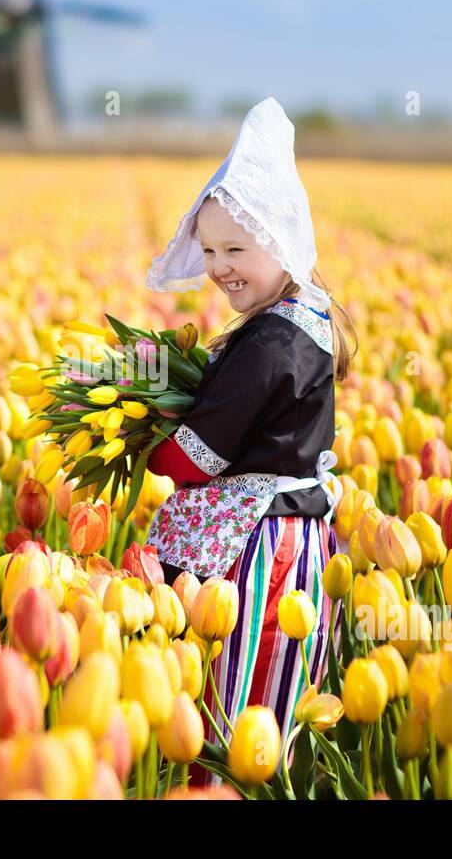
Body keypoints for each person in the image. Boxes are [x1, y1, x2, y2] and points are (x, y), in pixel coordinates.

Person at [143, 97, 358, 777]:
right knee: (275, 709)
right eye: (208, 250)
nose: (218, 265)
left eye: (236, 248)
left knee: (234, 702)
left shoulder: (270, 341)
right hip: (300, 541)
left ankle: (217, 787)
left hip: (257, 552)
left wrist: (147, 437)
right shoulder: (309, 315)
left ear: (283, 242)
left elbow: (193, 458)